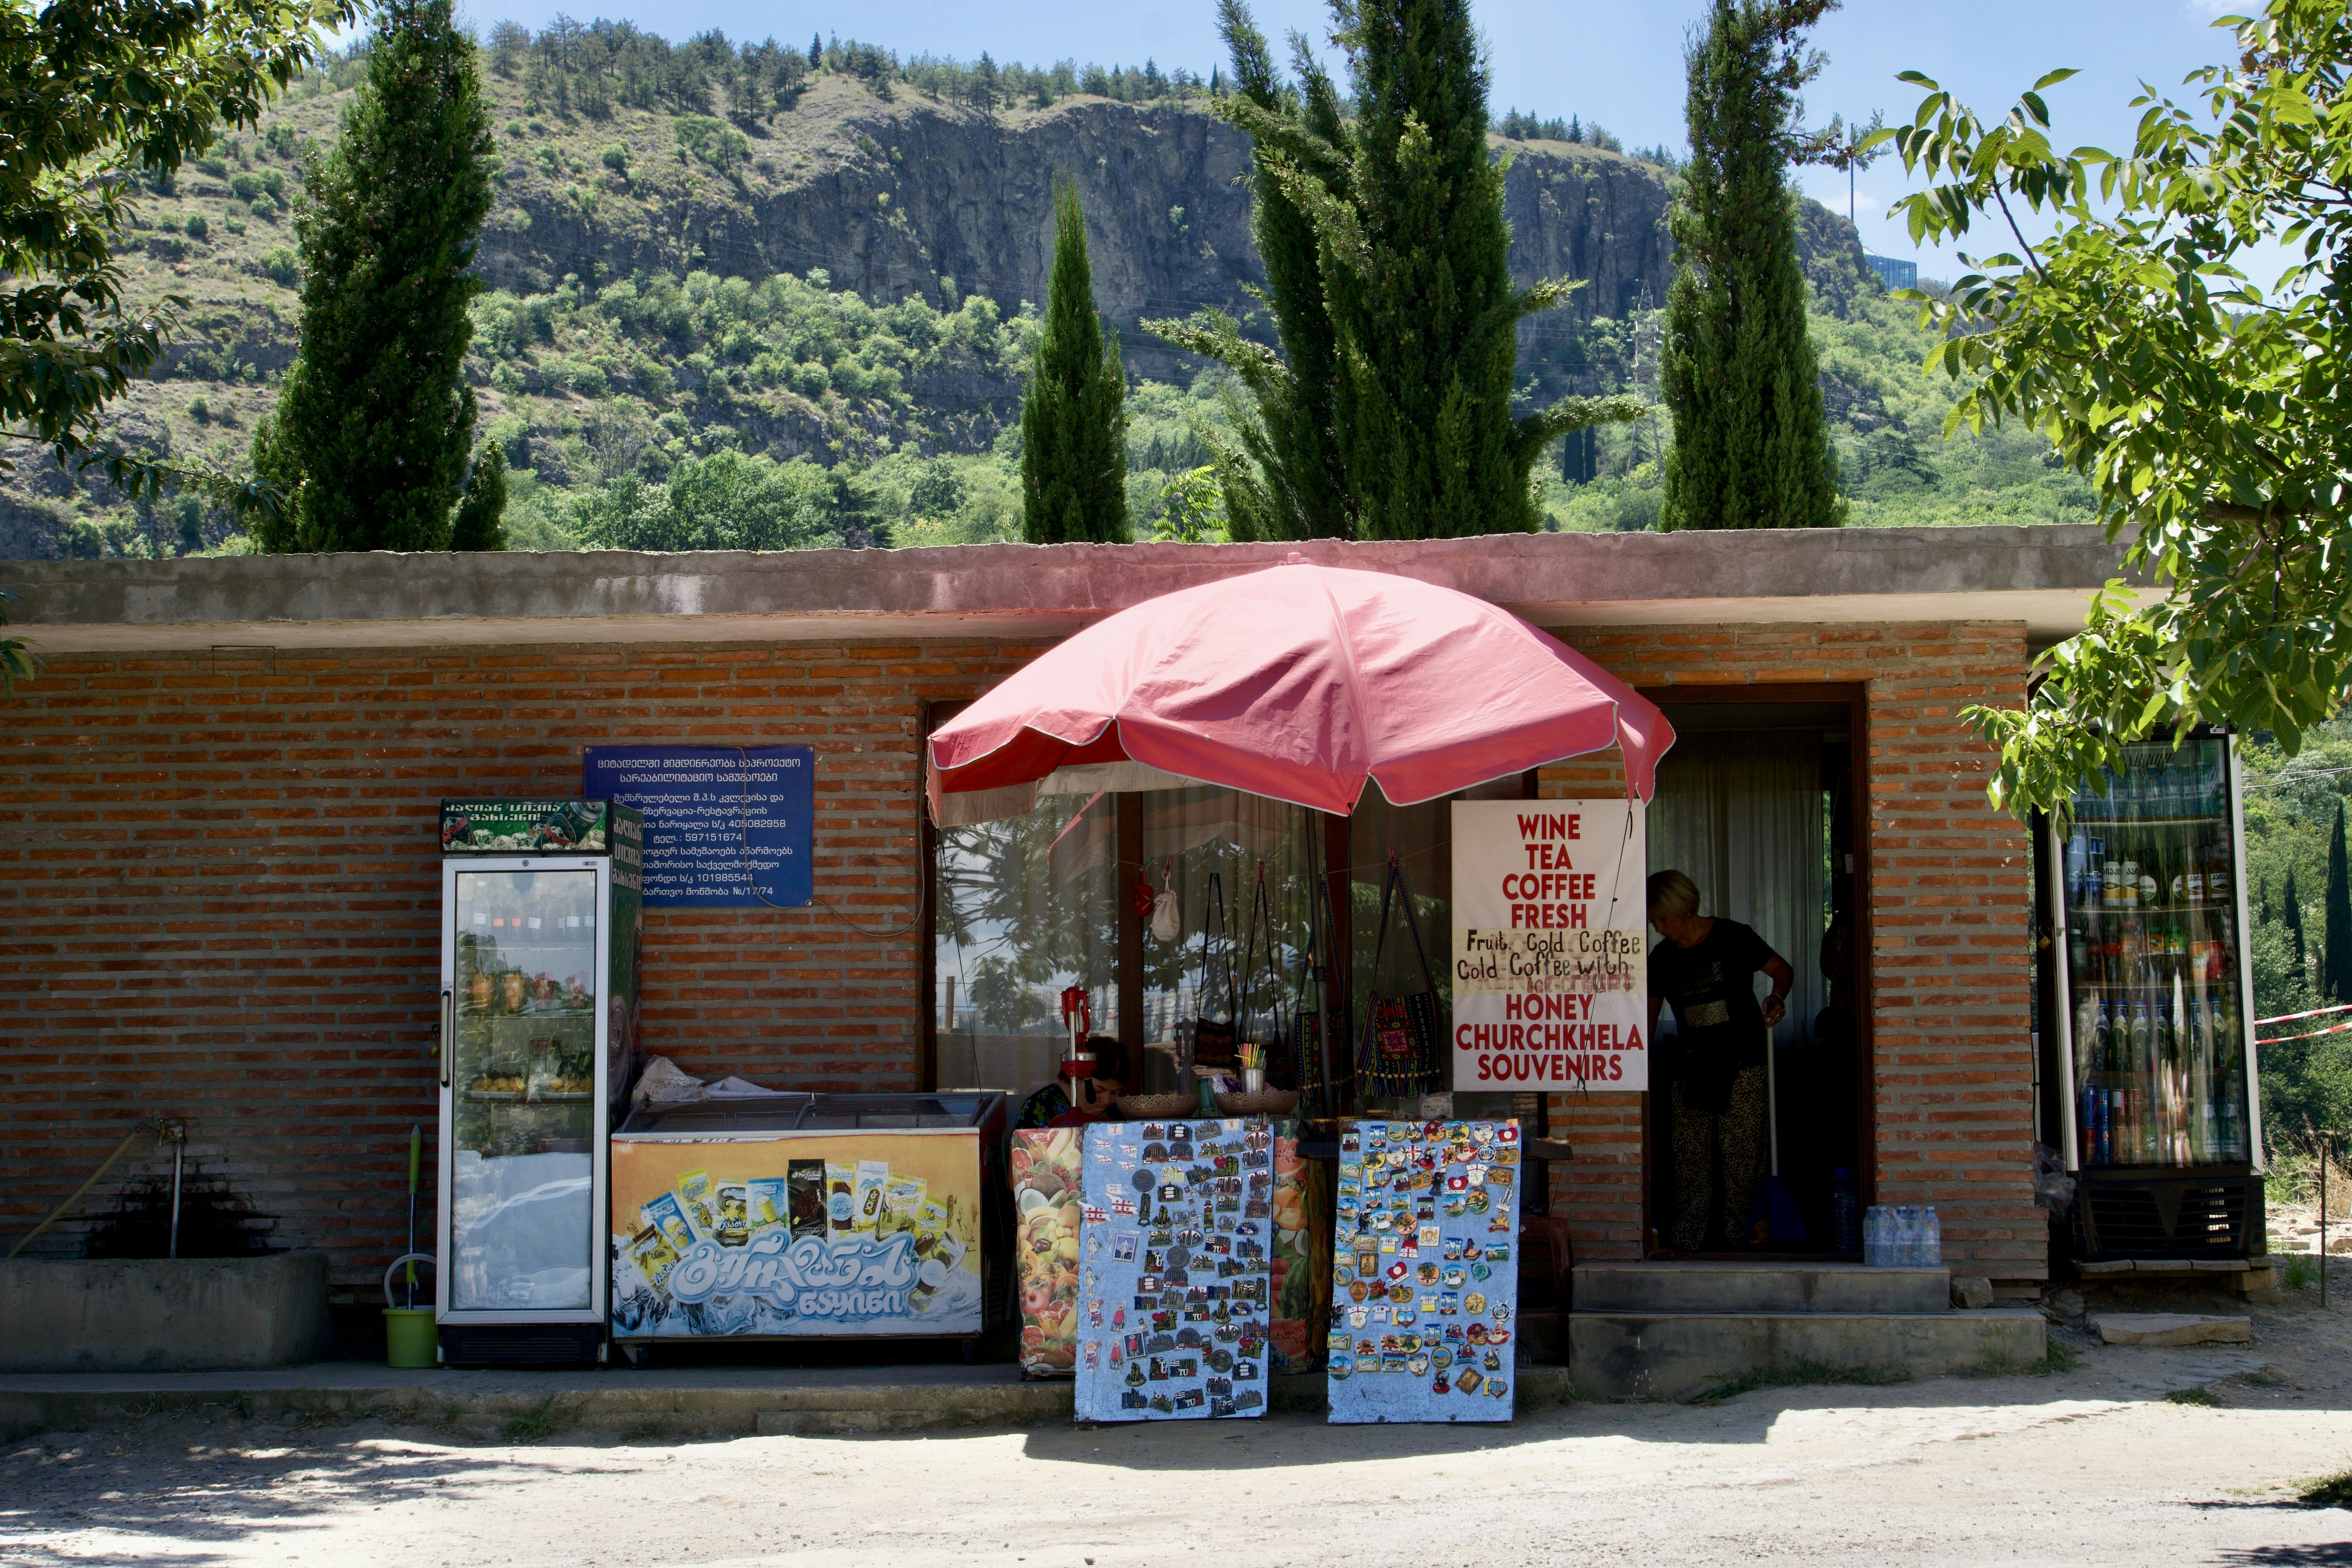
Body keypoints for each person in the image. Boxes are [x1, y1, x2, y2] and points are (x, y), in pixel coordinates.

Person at [1646, 870, 1795, 1253]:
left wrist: (1777, 997)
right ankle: (1688, 1248)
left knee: (1742, 1165)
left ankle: (1739, 1248)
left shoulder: (1733, 937)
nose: (1659, 927)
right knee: (1690, 1168)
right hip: (1690, 1070)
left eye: (1664, 918)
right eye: (1654, 919)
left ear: (1685, 907)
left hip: (1743, 1065)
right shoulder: (1661, 958)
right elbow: (1647, 1019)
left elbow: (1782, 970)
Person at [1044, 1035, 1129, 1128]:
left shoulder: (1120, 1109)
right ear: (1075, 1079)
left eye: (1115, 1092)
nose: (1107, 1101)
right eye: (1098, 1090)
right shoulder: (1041, 1110)